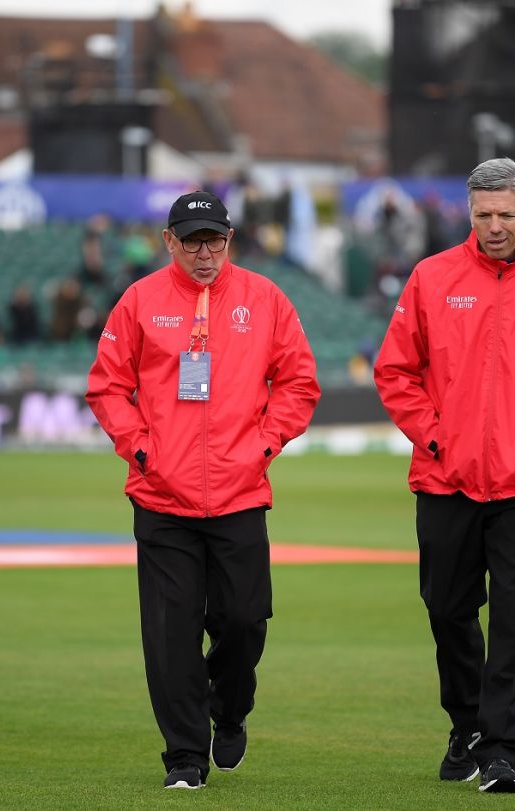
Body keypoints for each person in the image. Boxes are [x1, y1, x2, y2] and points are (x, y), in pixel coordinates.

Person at [373, 158, 515, 795]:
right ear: (467, 214)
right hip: (446, 476)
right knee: (446, 607)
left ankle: (502, 752)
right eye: (483, 215)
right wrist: (436, 436)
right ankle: (466, 723)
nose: (494, 226)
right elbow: (395, 371)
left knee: (514, 618)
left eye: (505, 215)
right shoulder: (431, 277)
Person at [86, 190, 320, 791]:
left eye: (214, 240)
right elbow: (107, 386)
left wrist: (262, 447)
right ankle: (185, 757)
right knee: (170, 635)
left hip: (241, 493)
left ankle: (230, 707)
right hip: (162, 498)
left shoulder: (265, 299)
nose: (204, 253)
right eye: (191, 242)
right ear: (169, 242)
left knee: (245, 622)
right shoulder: (139, 301)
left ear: (230, 238)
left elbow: (298, 382)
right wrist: (141, 450)